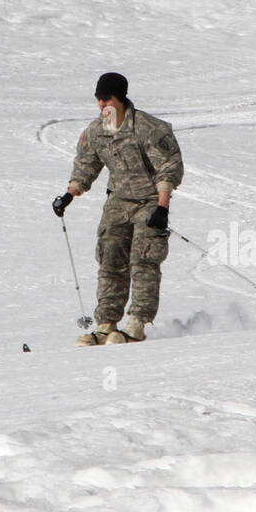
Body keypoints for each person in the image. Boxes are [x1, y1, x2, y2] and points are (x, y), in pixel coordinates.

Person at [52, 72, 184, 345]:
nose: (102, 104)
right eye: (99, 99)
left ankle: (136, 323)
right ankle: (106, 324)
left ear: (120, 98)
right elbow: (86, 165)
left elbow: (168, 168)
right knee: (110, 260)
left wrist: (162, 207)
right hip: (118, 202)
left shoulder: (149, 128)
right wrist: (69, 194)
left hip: (149, 200)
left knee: (144, 260)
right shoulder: (96, 131)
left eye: (107, 98)